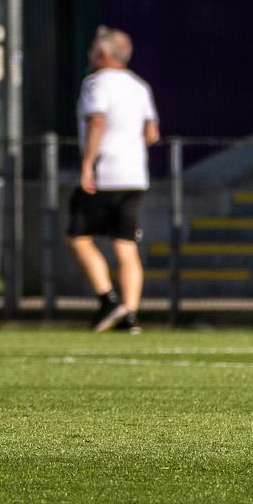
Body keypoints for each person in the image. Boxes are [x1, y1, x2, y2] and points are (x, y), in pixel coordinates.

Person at [70, 26, 160, 334]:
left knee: (78, 236)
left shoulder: (95, 83)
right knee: (126, 246)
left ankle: (108, 300)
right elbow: (151, 133)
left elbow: (97, 121)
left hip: (104, 174)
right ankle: (130, 315)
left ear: (103, 55)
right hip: (134, 175)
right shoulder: (140, 86)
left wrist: (86, 165)